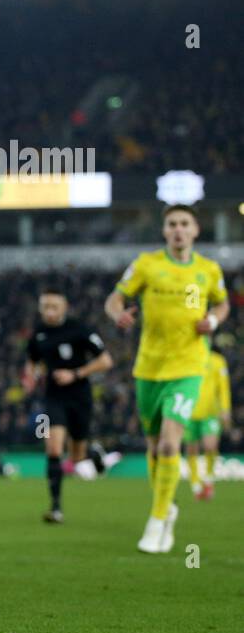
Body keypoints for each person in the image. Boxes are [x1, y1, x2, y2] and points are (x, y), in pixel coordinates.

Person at [104, 205, 228, 553]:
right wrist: (118, 315)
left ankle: (156, 521)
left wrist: (214, 322)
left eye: (184, 224)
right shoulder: (146, 264)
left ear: (195, 230)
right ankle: (166, 507)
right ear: (164, 231)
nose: (178, 229)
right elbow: (114, 298)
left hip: (189, 367)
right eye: (172, 224)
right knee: (155, 447)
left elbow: (221, 304)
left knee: (171, 443)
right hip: (149, 368)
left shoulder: (209, 270)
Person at [23, 290, 113, 523]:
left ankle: (94, 455)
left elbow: (106, 361)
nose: (49, 312)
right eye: (45, 307)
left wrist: (75, 374)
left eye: (54, 306)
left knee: (76, 458)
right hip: (53, 397)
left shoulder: (81, 329)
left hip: (80, 396)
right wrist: (30, 378)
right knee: (53, 448)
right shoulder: (38, 334)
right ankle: (55, 508)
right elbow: (32, 361)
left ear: (64, 307)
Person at [185, 342, 231, 500]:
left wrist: (225, 409)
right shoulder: (188, 358)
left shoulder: (218, 361)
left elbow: (223, 387)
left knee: (210, 446)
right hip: (189, 411)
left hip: (211, 413)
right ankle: (195, 484)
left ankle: (209, 480)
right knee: (192, 449)